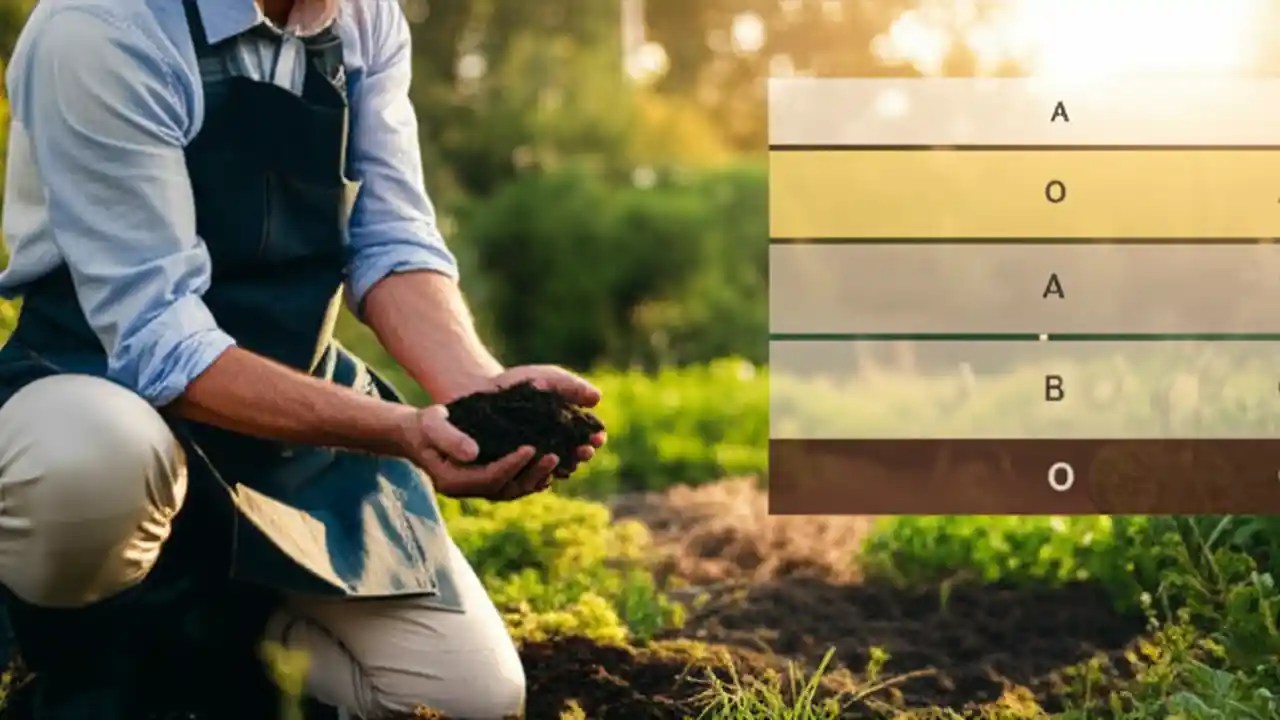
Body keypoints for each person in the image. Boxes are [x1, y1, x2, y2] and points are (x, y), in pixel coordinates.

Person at [0, 0, 606, 718]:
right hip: (99, 383)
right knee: (86, 466)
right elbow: (157, 338)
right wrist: (399, 431)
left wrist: (477, 392)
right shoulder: (103, 26)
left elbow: (390, 241)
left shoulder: (362, 18)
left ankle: (215, 637)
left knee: (466, 699)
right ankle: (72, 668)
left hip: (296, 410)